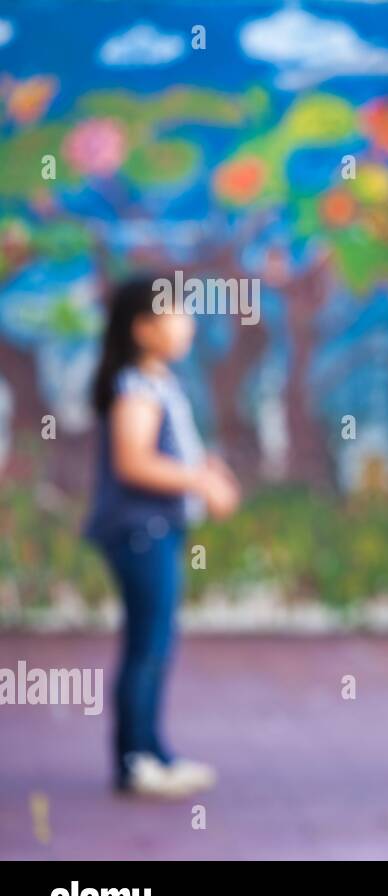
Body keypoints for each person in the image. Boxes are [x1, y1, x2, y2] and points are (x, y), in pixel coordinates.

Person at [84, 275, 241, 798]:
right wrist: (199, 479)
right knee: (147, 645)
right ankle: (135, 761)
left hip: (156, 530)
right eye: (175, 313)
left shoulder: (157, 382)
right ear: (144, 329)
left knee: (155, 644)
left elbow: (165, 453)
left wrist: (203, 467)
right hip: (140, 531)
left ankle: (151, 751)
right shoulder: (137, 388)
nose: (187, 323)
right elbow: (134, 462)